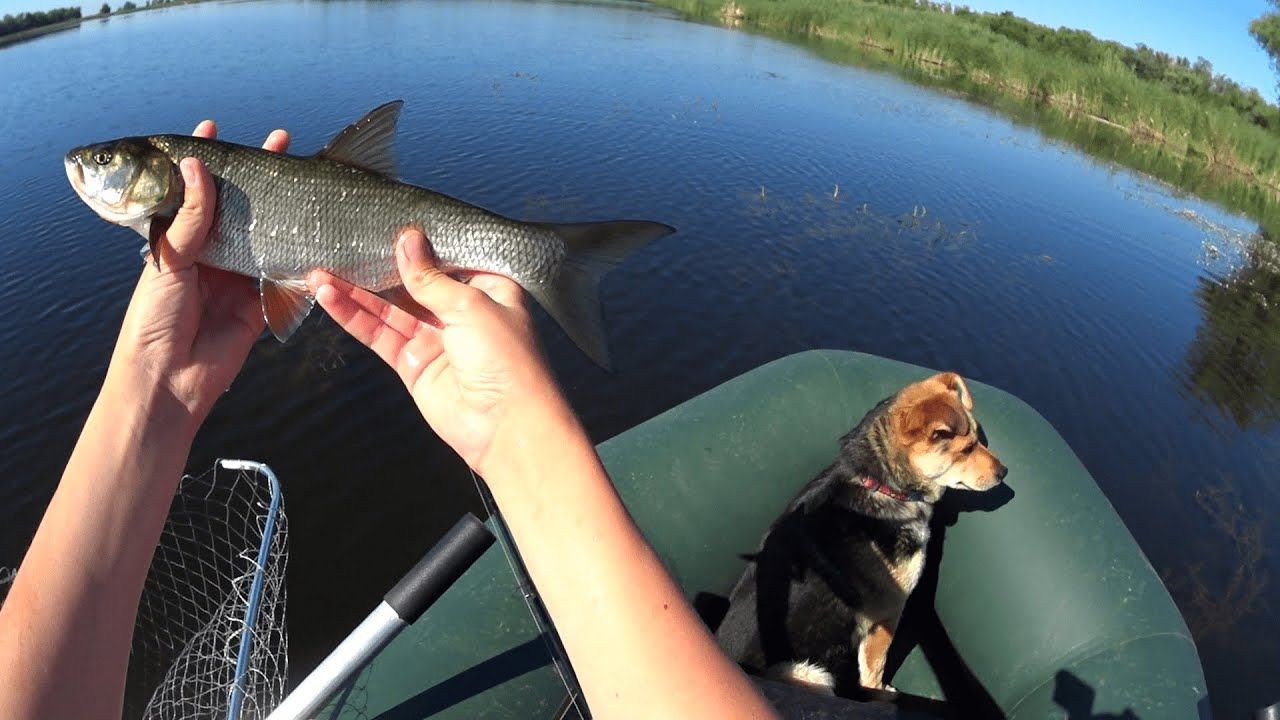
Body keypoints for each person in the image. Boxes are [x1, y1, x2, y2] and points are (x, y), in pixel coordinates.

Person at [0, 122, 777, 720]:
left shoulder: (184, 206)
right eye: (105, 162)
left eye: (105, 162)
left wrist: (154, 389)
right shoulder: (188, 217)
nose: (88, 169)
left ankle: (545, 259)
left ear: (160, 176)